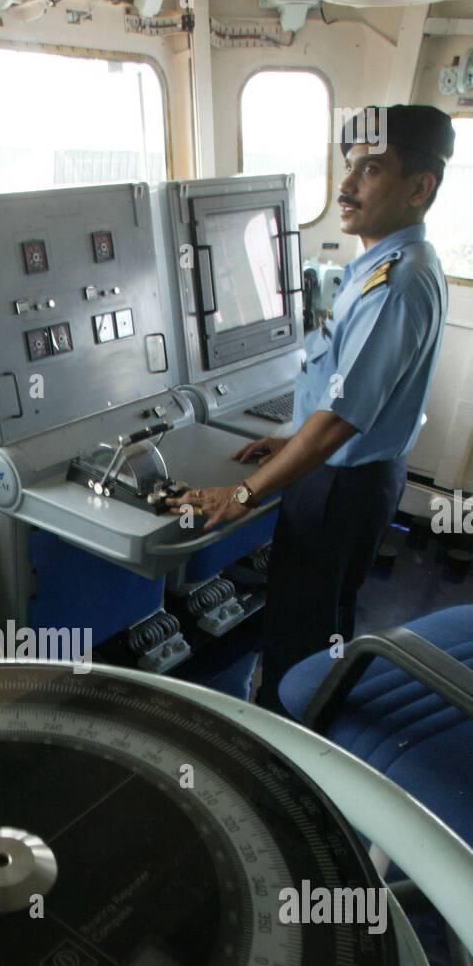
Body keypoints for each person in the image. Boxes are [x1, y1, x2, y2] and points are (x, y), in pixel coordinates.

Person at [165, 104, 454, 712]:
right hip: (343, 473)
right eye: (348, 169)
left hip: (342, 484)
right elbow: (333, 399)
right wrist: (289, 440)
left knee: (302, 625)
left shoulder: (396, 282)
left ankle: (284, 750)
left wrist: (240, 493)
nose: (346, 188)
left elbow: (340, 422)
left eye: (370, 171)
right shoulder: (381, 265)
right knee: (320, 615)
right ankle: (311, 709)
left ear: (418, 187)